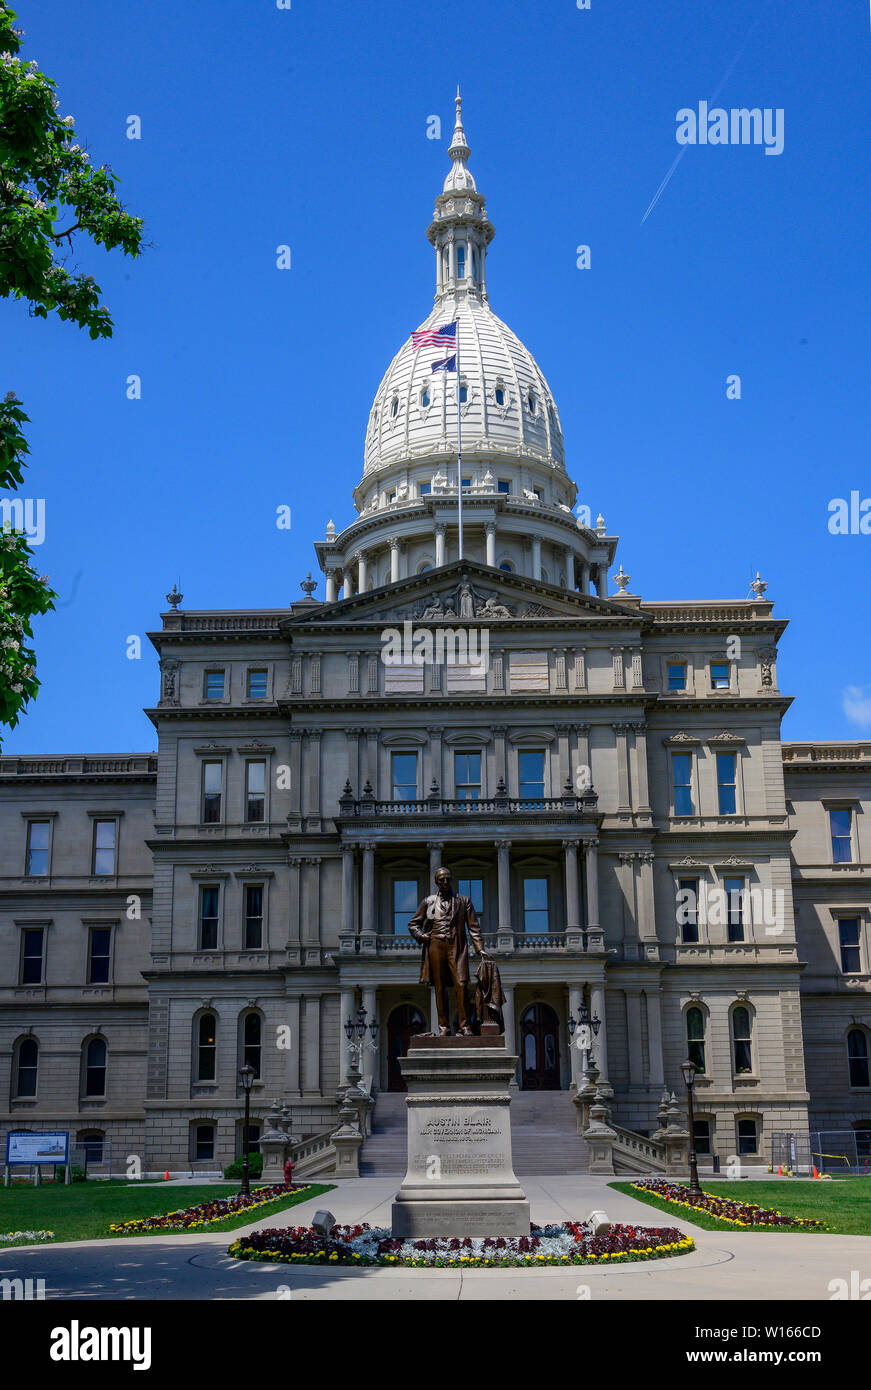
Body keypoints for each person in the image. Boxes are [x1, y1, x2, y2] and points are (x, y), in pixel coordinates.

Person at [408, 867, 490, 1035]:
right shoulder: (429, 902)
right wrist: (422, 937)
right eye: (441, 880)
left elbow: (474, 928)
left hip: (457, 947)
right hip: (436, 946)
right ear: (437, 882)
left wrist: (480, 949)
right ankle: (443, 1027)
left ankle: (465, 1025)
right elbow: (413, 924)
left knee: (462, 985)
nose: (445, 882)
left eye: (447, 879)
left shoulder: (463, 901)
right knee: (440, 987)